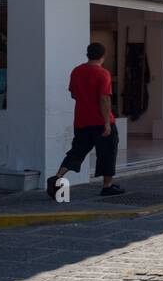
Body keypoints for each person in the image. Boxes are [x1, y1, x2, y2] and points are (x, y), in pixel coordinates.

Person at [47, 42, 123, 198]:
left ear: (88, 54)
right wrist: (107, 123)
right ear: (103, 55)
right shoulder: (103, 74)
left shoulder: (77, 71)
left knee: (77, 151)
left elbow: (73, 94)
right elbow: (104, 99)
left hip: (81, 121)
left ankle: (57, 178)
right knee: (108, 153)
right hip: (100, 122)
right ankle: (107, 186)